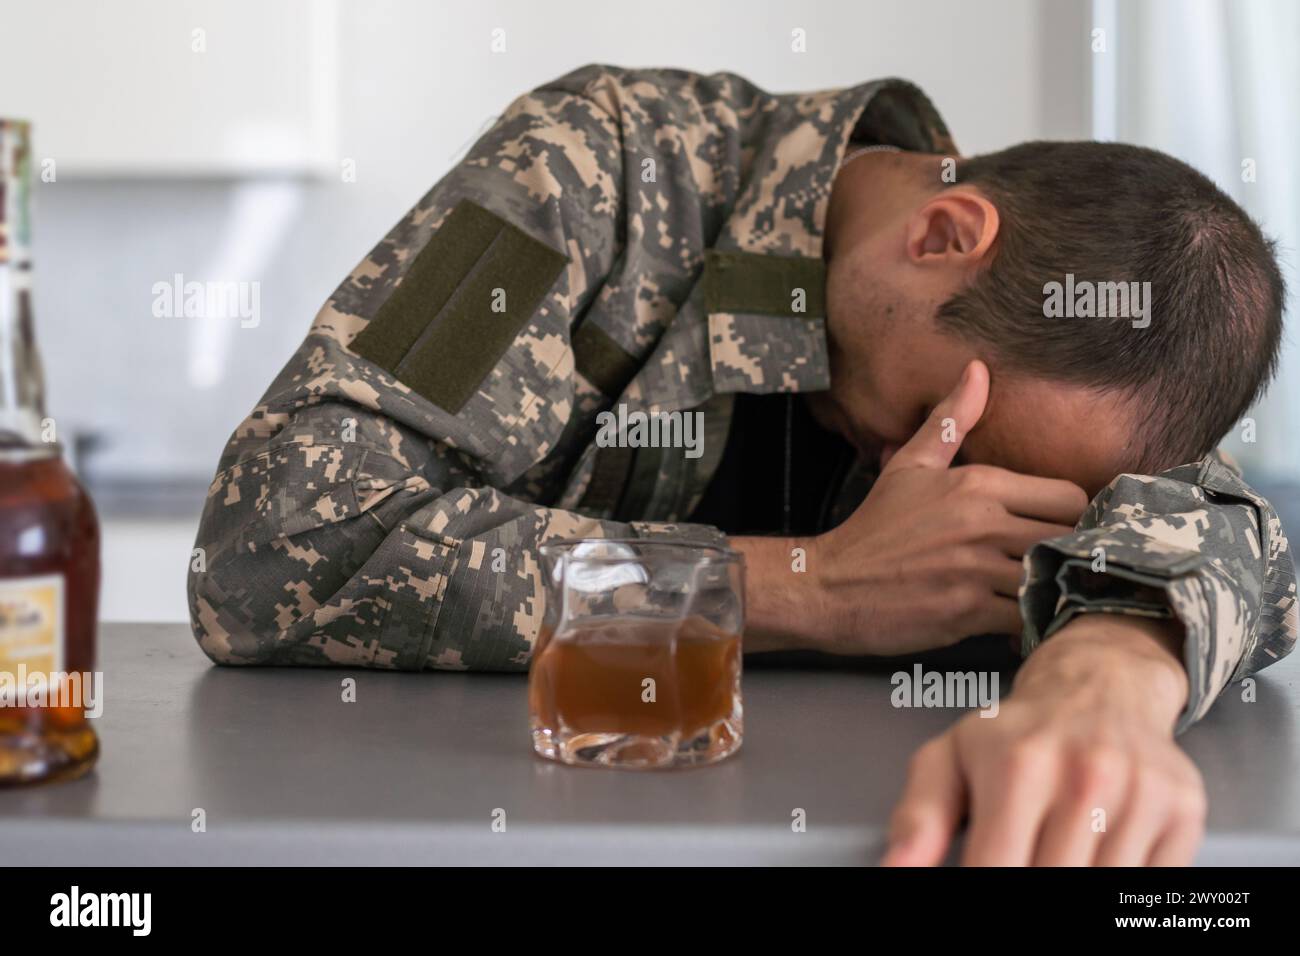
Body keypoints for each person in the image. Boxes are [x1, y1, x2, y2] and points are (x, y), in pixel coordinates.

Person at [187, 65, 1296, 866]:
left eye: (1011, 488)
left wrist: (1105, 672)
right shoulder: (598, 166)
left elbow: (1249, 551)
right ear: (945, 234)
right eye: (937, 420)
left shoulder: (1083, 355)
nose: (935, 476)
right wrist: (808, 583)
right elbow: (275, 536)